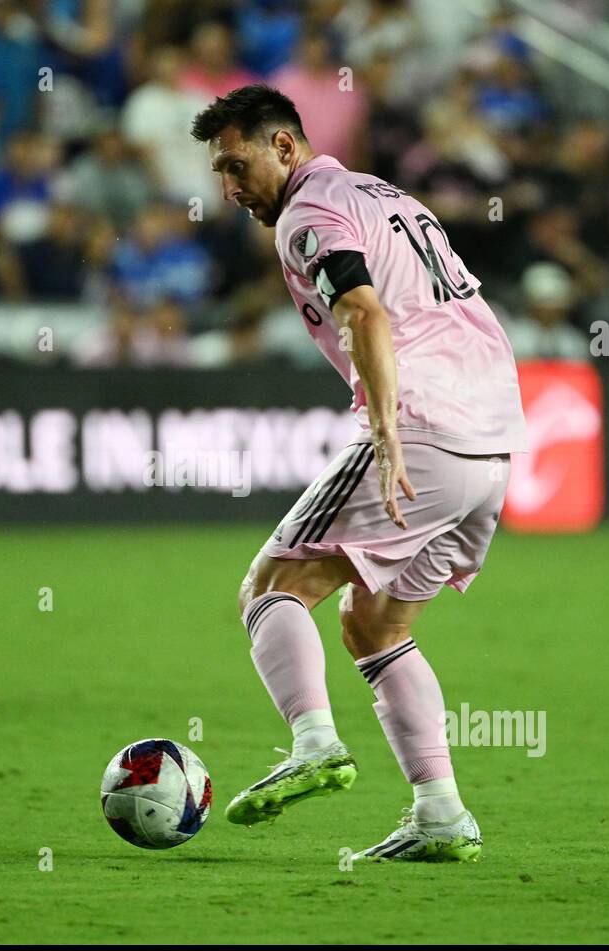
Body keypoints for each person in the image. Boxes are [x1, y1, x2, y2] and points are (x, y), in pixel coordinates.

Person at [191, 84, 527, 862]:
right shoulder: (383, 193)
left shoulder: (309, 214)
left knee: (272, 585)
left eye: (238, 166)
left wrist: (384, 430)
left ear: (285, 147)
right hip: (492, 440)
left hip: (422, 428)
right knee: (376, 624)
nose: (231, 189)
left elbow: (366, 312)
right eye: (219, 174)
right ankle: (441, 812)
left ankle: (313, 742)